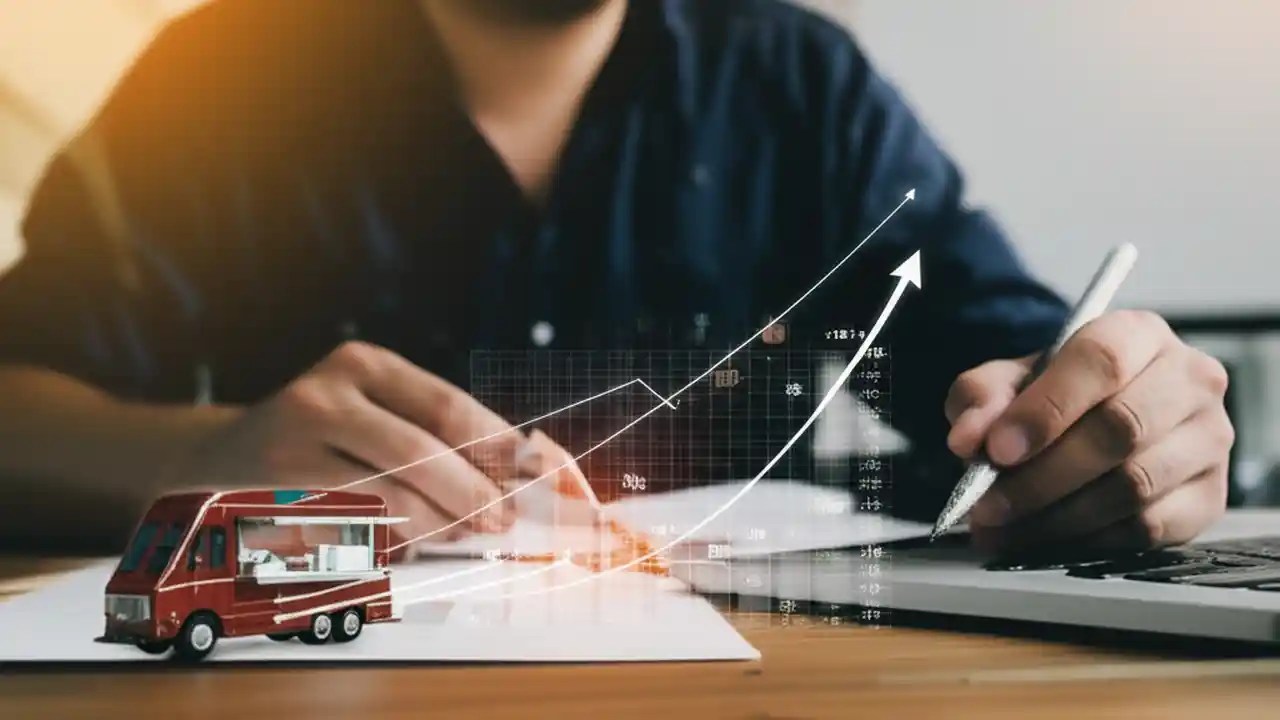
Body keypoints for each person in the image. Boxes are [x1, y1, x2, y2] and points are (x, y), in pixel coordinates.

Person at [0, 0, 1232, 554]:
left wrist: (1111, 419)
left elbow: (1007, 368)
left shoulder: (799, 84)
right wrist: (189, 459)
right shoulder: (214, 75)